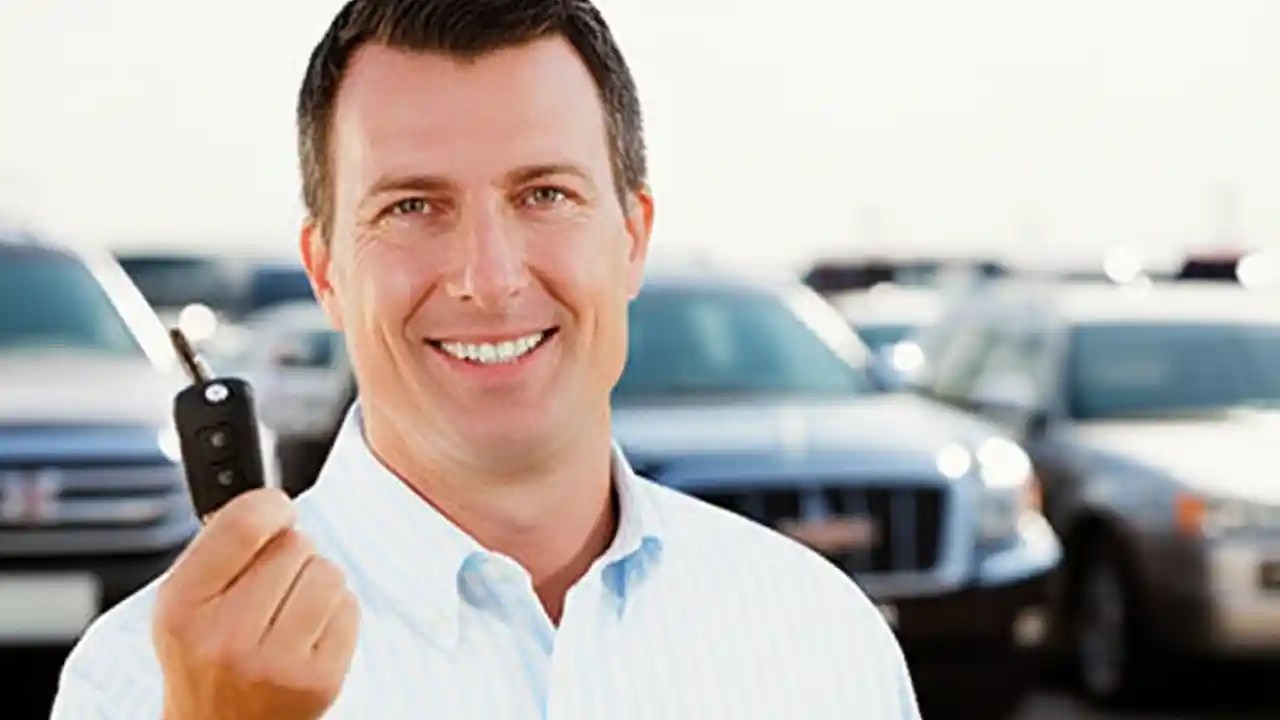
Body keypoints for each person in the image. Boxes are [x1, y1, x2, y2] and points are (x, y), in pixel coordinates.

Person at [51, 1, 920, 717]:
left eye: (545, 194)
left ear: (631, 239)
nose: (489, 278)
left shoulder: (823, 639)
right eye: (414, 206)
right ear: (325, 271)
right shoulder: (140, 685)